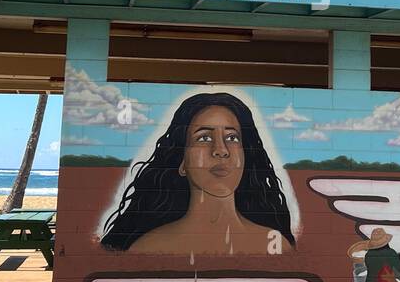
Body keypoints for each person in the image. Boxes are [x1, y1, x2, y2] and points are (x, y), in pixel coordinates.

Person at [100, 92, 295, 254]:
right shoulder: (148, 249)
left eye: (232, 137)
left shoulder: (276, 246)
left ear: (246, 156)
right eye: (204, 138)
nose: (221, 149)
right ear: (182, 162)